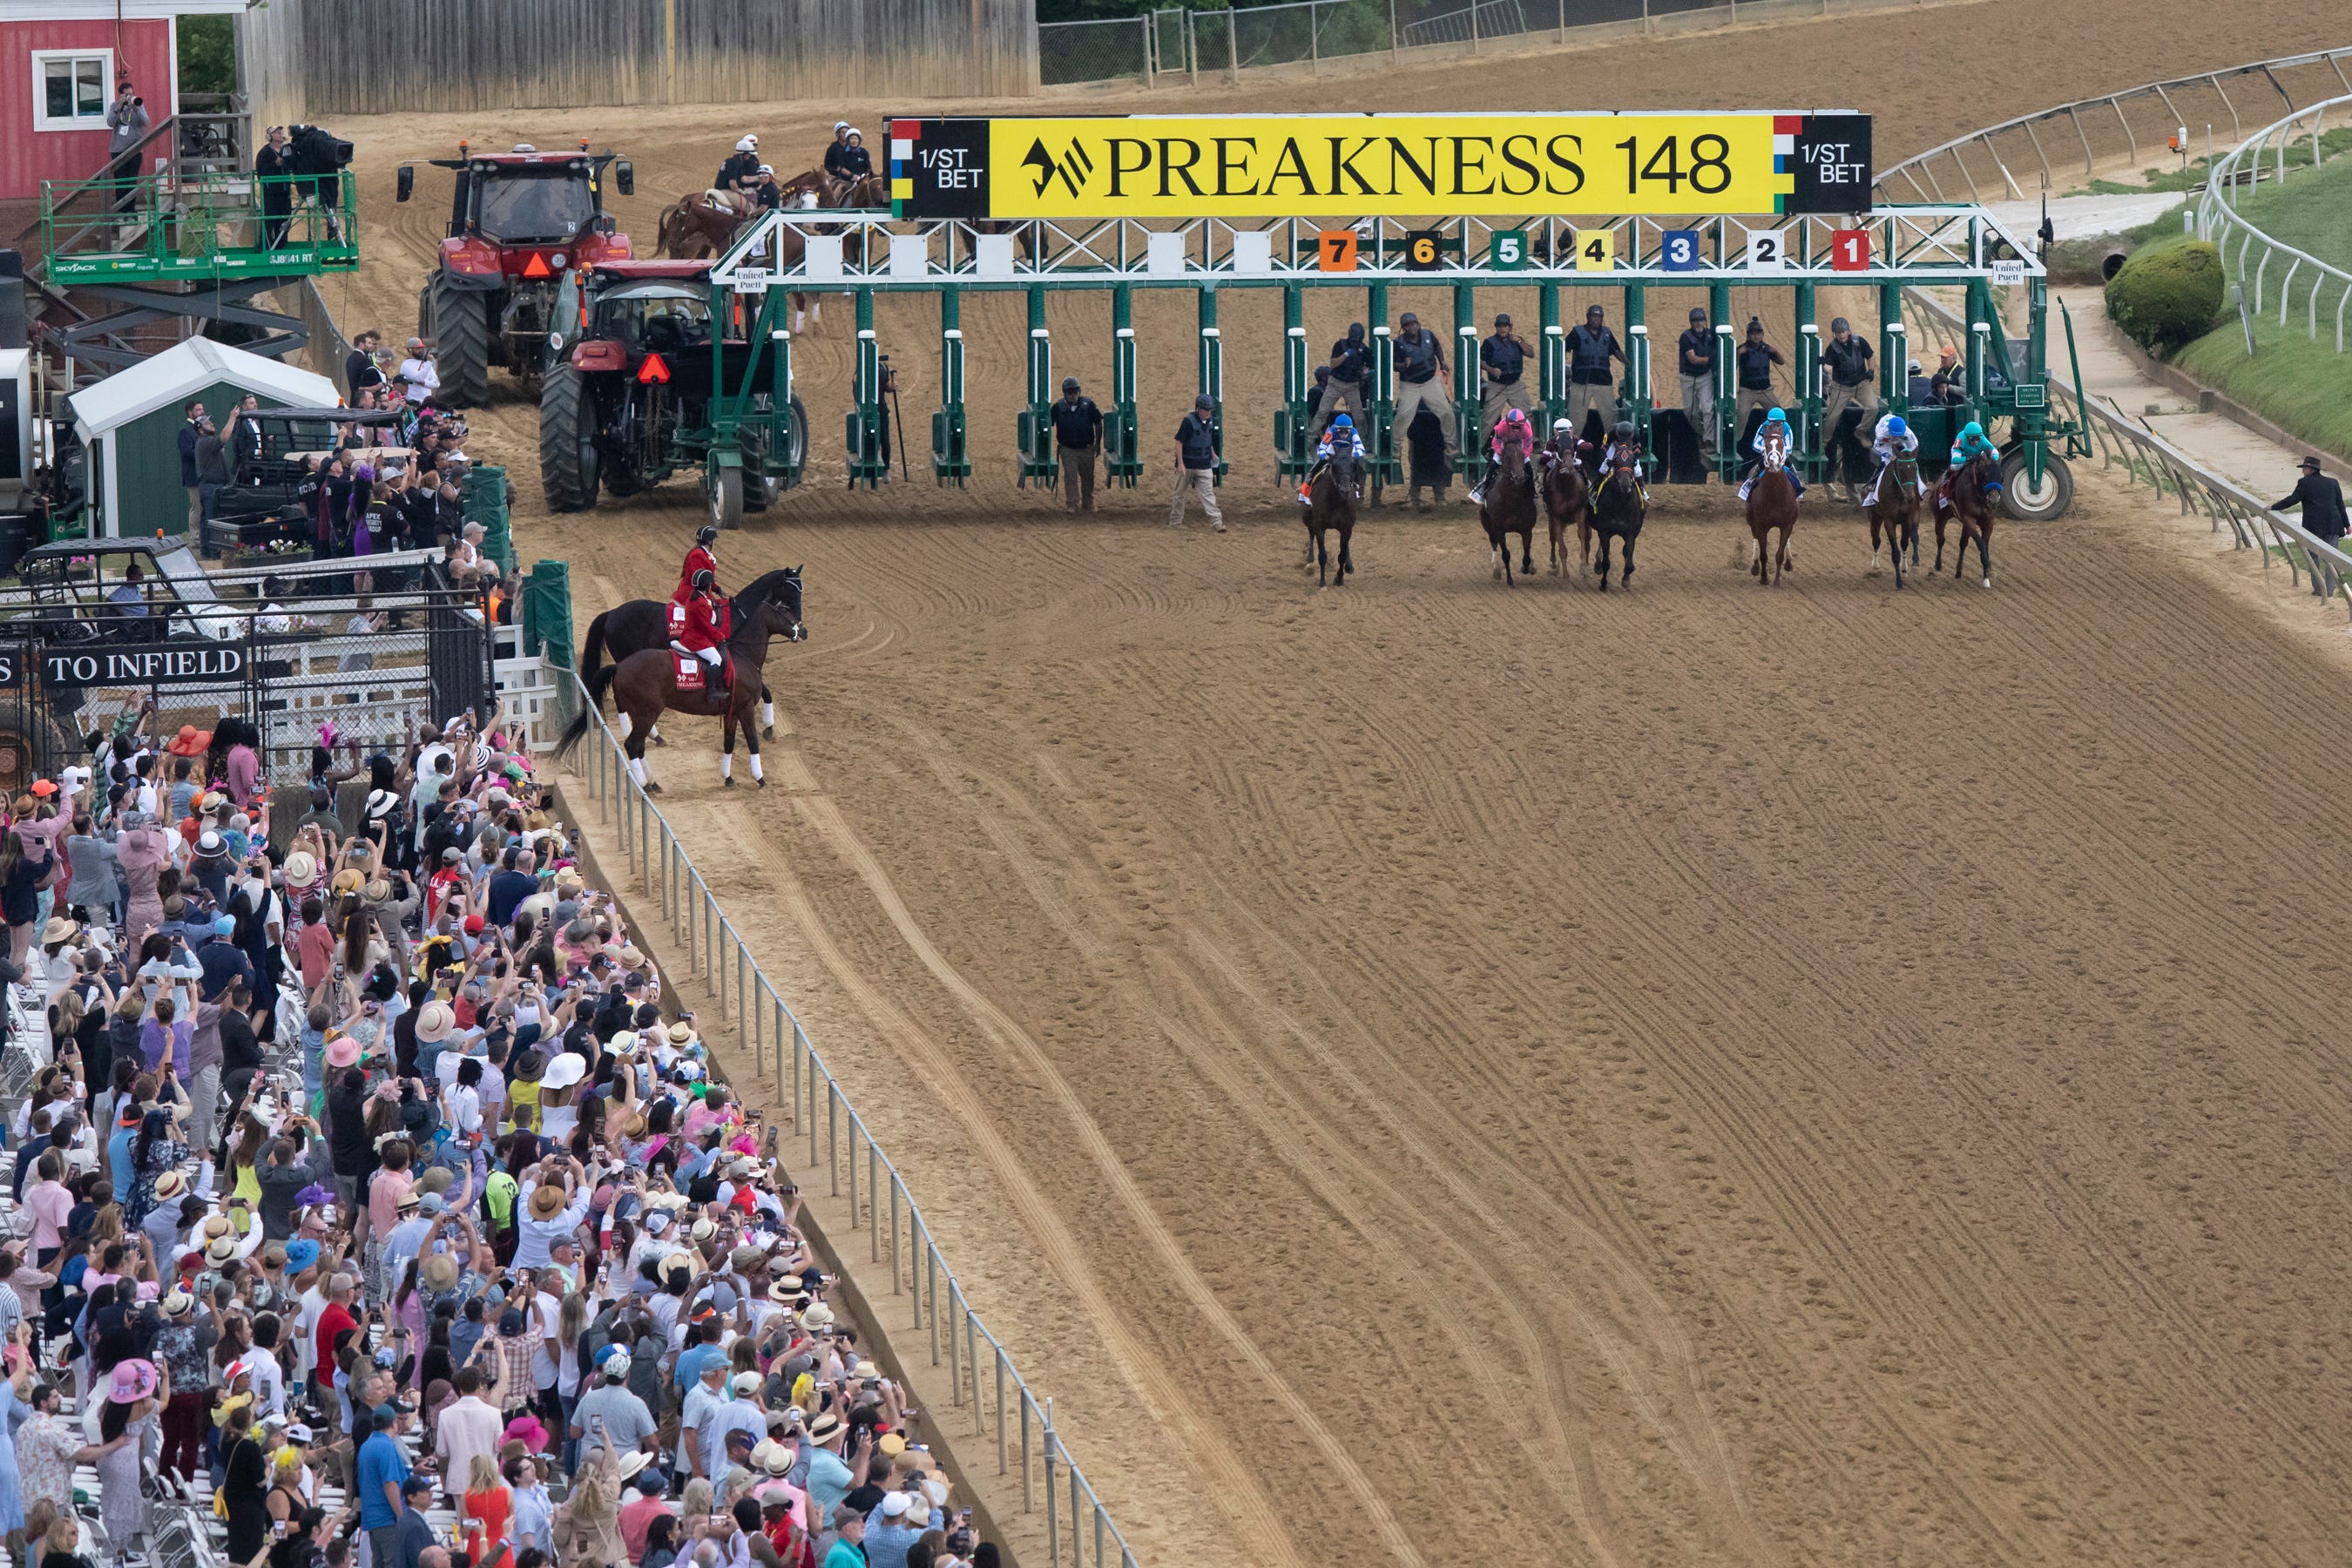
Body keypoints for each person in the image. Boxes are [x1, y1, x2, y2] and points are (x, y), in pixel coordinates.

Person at [1389, 312, 1455, 489]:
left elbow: (1437, 346)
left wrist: (1442, 362)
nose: (1412, 327)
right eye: (1408, 325)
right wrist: (1404, 365)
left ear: (1418, 324)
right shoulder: (1398, 343)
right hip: (1409, 384)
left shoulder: (1428, 335)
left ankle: (1451, 445)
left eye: (1414, 324)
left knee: (1446, 411)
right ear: (1403, 328)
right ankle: (1395, 449)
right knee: (1403, 416)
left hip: (1429, 381)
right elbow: (1393, 365)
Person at [1819, 317, 1876, 500]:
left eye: (1843, 331)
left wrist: (1871, 371)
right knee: (1832, 416)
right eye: (1837, 332)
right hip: (1841, 386)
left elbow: (1871, 356)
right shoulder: (1832, 348)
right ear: (1834, 334)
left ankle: (1861, 432)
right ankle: (1824, 442)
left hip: (1860, 383)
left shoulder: (1860, 342)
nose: (1841, 335)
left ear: (1848, 331)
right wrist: (1824, 365)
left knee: (1873, 407)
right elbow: (1828, 368)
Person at [2270, 456, 2349, 589]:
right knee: (2332, 558)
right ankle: (2329, 590)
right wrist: (2347, 524)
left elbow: (2292, 500)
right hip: (2334, 525)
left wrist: (2273, 507)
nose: (2302, 472)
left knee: (2313, 557)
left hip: (2314, 527)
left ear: (2310, 469)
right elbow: (2340, 505)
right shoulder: (2333, 482)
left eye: (2304, 469)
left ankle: (2319, 589)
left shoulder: (2304, 483)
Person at [1563, 305, 1624, 440]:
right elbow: (1563, 349)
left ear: (1602, 318)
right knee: (1576, 419)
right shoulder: (1577, 332)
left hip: (1604, 382)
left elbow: (1617, 352)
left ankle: (1613, 448)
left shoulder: (1607, 334)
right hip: (1581, 383)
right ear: (1588, 317)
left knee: (1610, 417)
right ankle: (1572, 449)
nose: (1596, 319)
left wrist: (1630, 365)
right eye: (1593, 316)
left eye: (1598, 317)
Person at [1166, 395, 1224, 533]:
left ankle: (1217, 522)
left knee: (1208, 494)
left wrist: (1212, 452)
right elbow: (1179, 442)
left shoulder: (1210, 421)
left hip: (1204, 465)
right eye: (1206, 410)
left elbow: (1206, 438)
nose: (1208, 413)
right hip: (1187, 465)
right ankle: (1175, 522)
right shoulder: (1188, 422)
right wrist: (1180, 464)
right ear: (1198, 409)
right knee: (1179, 494)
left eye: (1210, 410)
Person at [670, 571, 730, 694]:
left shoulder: (695, 596)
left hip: (692, 635)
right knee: (716, 659)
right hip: (696, 640)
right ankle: (711, 690)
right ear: (707, 586)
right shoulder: (701, 603)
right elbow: (706, 626)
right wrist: (721, 636)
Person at [1050, 378, 1103, 514]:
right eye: (1070, 392)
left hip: (1086, 447)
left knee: (1088, 477)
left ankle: (1088, 502)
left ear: (1079, 392)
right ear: (1064, 393)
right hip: (1067, 448)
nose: (1073, 395)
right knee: (1070, 476)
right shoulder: (1058, 407)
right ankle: (1072, 504)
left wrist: (1097, 444)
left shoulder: (1089, 405)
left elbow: (1098, 423)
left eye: (1075, 391)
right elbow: (1047, 424)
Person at [1465, 408, 1535, 507]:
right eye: (1513, 426)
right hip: (1504, 446)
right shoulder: (1502, 426)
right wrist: (1501, 454)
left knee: (1529, 469)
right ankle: (1482, 490)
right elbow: (1496, 442)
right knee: (1492, 467)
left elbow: (1528, 446)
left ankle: (1532, 491)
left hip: (1520, 447)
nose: (1516, 429)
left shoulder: (1527, 430)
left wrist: (1521, 457)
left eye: (1518, 427)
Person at [1311, 322, 1369, 441]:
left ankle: (1364, 441)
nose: (1355, 343)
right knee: (1323, 411)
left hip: (1352, 386)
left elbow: (1369, 367)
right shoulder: (1340, 345)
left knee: (1359, 417)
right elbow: (1333, 364)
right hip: (1336, 384)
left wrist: (1365, 370)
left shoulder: (1365, 351)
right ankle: (1309, 437)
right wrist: (1346, 355)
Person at [1678, 307, 1718, 471]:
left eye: (1701, 319)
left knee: (1708, 408)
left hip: (1705, 377)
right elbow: (1693, 359)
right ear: (1691, 322)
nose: (1699, 323)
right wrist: (1711, 360)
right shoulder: (1685, 337)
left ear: (1705, 321)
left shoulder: (1711, 335)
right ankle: (1700, 433)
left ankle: (1709, 441)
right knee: (1690, 411)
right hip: (1688, 377)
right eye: (1695, 320)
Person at [1732, 319, 1785, 443]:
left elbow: (1781, 362)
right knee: (1741, 415)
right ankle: (1734, 442)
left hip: (1765, 391)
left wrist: (1775, 351)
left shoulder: (1766, 349)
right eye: (1753, 334)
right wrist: (1738, 354)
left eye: (1758, 333)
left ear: (1762, 335)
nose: (1756, 336)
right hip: (1747, 392)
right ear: (1748, 335)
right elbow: (1732, 368)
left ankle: (1781, 440)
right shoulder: (1742, 349)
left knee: (1778, 413)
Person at [1737, 407, 1805, 502]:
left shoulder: (1787, 428)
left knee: (1789, 463)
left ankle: (1797, 481)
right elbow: (1755, 444)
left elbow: (1789, 447)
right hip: (1767, 454)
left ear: (1783, 422)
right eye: (1773, 424)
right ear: (1769, 421)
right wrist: (1766, 450)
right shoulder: (1764, 426)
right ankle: (1751, 481)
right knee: (1761, 464)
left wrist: (1779, 451)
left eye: (1779, 424)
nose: (1776, 427)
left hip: (1781, 455)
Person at [1297, 412, 1364, 506]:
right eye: (1341, 431)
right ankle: (1304, 492)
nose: (1344, 434)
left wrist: (1355, 454)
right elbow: (1321, 448)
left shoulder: (1354, 433)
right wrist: (1324, 455)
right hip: (1333, 450)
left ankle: (1356, 487)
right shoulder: (1331, 432)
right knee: (1315, 468)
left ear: (1351, 430)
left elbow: (1361, 449)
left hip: (1348, 453)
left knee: (1358, 466)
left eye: (1347, 432)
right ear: (1336, 429)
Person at [1478, 313, 1530, 431]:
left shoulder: (1517, 341)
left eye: (1505, 326)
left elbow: (1530, 353)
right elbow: (1479, 361)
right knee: (1488, 418)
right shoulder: (1489, 343)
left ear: (1510, 327)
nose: (1502, 329)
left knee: (1527, 414)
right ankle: (1478, 446)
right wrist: (1490, 369)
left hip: (1515, 386)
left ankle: (1534, 442)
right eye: (1499, 326)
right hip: (1496, 386)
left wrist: (1520, 342)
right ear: (1496, 327)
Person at [1863, 412, 1925, 505]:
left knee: (1911, 464)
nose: (1896, 437)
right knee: (1885, 462)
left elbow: (1912, 452)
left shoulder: (1909, 435)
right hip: (1885, 445)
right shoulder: (1881, 434)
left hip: (1902, 443)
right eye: (1894, 435)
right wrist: (1889, 456)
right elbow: (1878, 449)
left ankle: (1920, 489)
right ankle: (1872, 488)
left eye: (1898, 435)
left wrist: (1906, 458)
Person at [196, 414, 231, 559]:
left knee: (206, 520)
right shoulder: (206, 442)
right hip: (211, 487)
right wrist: (233, 417)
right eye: (207, 423)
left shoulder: (206, 442)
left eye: (210, 421)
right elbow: (224, 437)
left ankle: (206, 553)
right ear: (200, 429)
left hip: (209, 487)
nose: (210, 424)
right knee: (212, 521)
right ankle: (213, 554)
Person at [256, 125, 295, 247]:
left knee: (284, 221)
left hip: (284, 193)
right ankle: (266, 246)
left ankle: (281, 245)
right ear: (270, 136)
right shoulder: (264, 152)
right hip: (270, 194)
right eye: (276, 132)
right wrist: (275, 164)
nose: (280, 134)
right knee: (268, 222)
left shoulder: (287, 150)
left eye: (280, 132)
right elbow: (261, 171)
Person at [179, 402, 209, 541]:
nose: (202, 412)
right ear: (190, 412)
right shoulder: (186, 431)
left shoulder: (201, 428)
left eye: (202, 409)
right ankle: (196, 537)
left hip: (204, 475)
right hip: (193, 476)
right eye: (198, 410)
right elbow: (186, 453)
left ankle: (203, 535)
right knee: (197, 507)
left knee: (203, 507)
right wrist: (203, 452)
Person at [715, 138, 761, 206]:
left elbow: (743, 178)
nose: (749, 156)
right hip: (726, 191)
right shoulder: (735, 163)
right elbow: (732, 184)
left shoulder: (733, 161)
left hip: (724, 189)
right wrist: (740, 191)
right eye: (748, 154)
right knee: (751, 209)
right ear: (744, 153)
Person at [399, 340, 441, 408]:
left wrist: (425, 383)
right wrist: (429, 362)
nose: (420, 350)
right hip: (413, 404)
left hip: (427, 404)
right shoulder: (406, 364)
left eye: (421, 348)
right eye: (417, 348)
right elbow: (418, 378)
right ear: (410, 350)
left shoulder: (426, 364)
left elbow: (437, 383)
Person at [346, 331, 386, 403]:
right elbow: (373, 382)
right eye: (369, 343)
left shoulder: (350, 358)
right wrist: (377, 387)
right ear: (361, 344)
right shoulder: (364, 360)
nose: (371, 346)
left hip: (354, 401)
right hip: (365, 402)